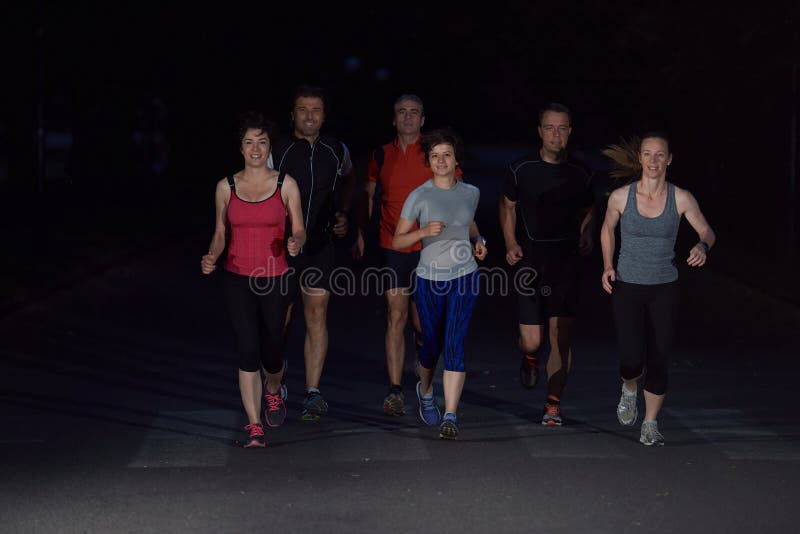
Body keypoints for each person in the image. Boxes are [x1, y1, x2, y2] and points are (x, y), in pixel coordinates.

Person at [601, 132, 716, 446]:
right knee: (630, 359)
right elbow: (607, 228)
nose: (653, 161)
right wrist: (608, 265)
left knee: (660, 357)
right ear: (640, 158)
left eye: (659, 154)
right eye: (648, 154)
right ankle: (629, 388)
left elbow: (707, 230)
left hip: (664, 287)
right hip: (626, 285)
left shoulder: (681, 198)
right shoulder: (621, 197)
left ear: (669, 159)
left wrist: (703, 246)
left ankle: (650, 423)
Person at [201, 112, 306, 448]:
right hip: (236, 276)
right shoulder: (225, 186)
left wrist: (296, 242)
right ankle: (254, 424)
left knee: (272, 351)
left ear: (269, 146)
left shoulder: (285, 184)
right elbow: (220, 232)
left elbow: (300, 228)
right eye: (250, 142)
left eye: (262, 142)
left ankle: (273, 388)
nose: (256, 148)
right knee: (248, 349)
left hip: (275, 276)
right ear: (241, 148)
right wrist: (212, 256)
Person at [354, 94, 463, 416]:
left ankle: (425, 364)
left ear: (423, 119)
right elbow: (369, 194)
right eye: (402, 112)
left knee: (423, 324)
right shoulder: (381, 155)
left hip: (432, 250)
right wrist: (361, 232)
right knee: (395, 316)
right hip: (394, 247)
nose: (408, 118)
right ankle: (395, 390)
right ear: (393, 119)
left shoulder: (435, 155)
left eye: (414, 113)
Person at [499, 102, 594, 426]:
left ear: (570, 131)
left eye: (562, 128)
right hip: (530, 262)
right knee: (533, 340)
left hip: (566, 262)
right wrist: (511, 243)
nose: (556, 134)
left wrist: (587, 235)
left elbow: (589, 210)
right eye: (550, 128)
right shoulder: (520, 168)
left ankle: (552, 405)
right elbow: (508, 206)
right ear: (540, 131)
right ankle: (529, 357)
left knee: (560, 336)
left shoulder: (581, 172)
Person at [392, 128, 487, 440]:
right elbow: (397, 240)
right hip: (430, 279)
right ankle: (426, 389)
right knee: (431, 345)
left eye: (447, 154)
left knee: (455, 343)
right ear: (429, 162)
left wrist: (479, 239)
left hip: (465, 275)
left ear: (455, 158)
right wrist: (423, 232)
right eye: (435, 156)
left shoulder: (471, 192)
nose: (441, 160)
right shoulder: (419, 196)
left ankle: (450, 415)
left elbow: (469, 223)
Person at [271, 85, 354, 421]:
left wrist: (343, 214)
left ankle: (313, 392)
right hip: (280, 247)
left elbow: (349, 180)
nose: (309, 116)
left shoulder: (336, 149)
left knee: (316, 315)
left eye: (315, 110)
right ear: (292, 114)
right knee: (281, 320)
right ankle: (276, 377)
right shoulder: (277, 149)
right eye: (302, 109)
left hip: (320, 246)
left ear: (324, 115)